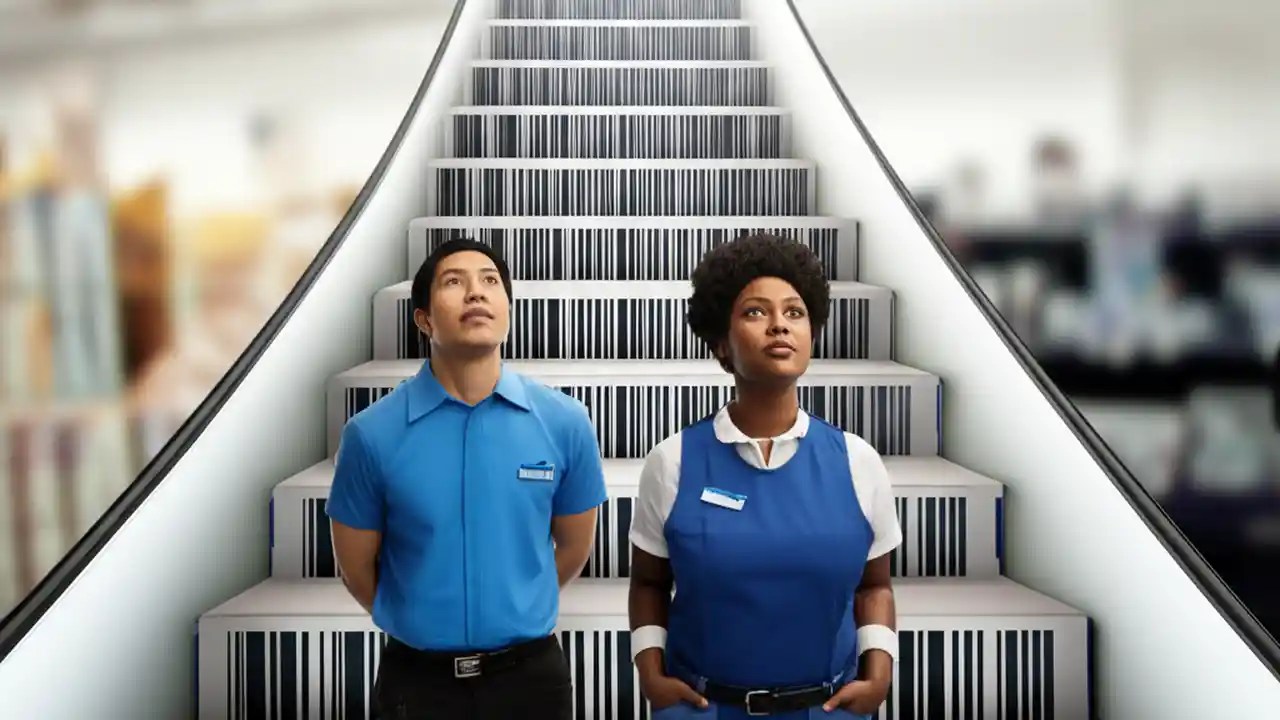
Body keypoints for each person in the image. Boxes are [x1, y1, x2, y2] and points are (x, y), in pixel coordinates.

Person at [327, 238, 608, 720]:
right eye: (454, 282)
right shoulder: (371, 435)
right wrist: (424, 624)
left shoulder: (566, 422)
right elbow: (356, 570)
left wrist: (515, 604)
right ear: (424, 319)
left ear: (508, 310)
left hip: (531, 683)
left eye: (490, 282)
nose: (476, 293)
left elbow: (574, 549)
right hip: (415, 686)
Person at [628, 234, 902, 719]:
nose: (779, 325)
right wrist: (650, 672)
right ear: (721, 346)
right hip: (702, 707)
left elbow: (873, 586)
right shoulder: (673, 462)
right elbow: (649, 583)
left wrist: (879, 673)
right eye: (755, 312)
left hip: (828, 706)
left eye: (795, 313)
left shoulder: (858, 461)